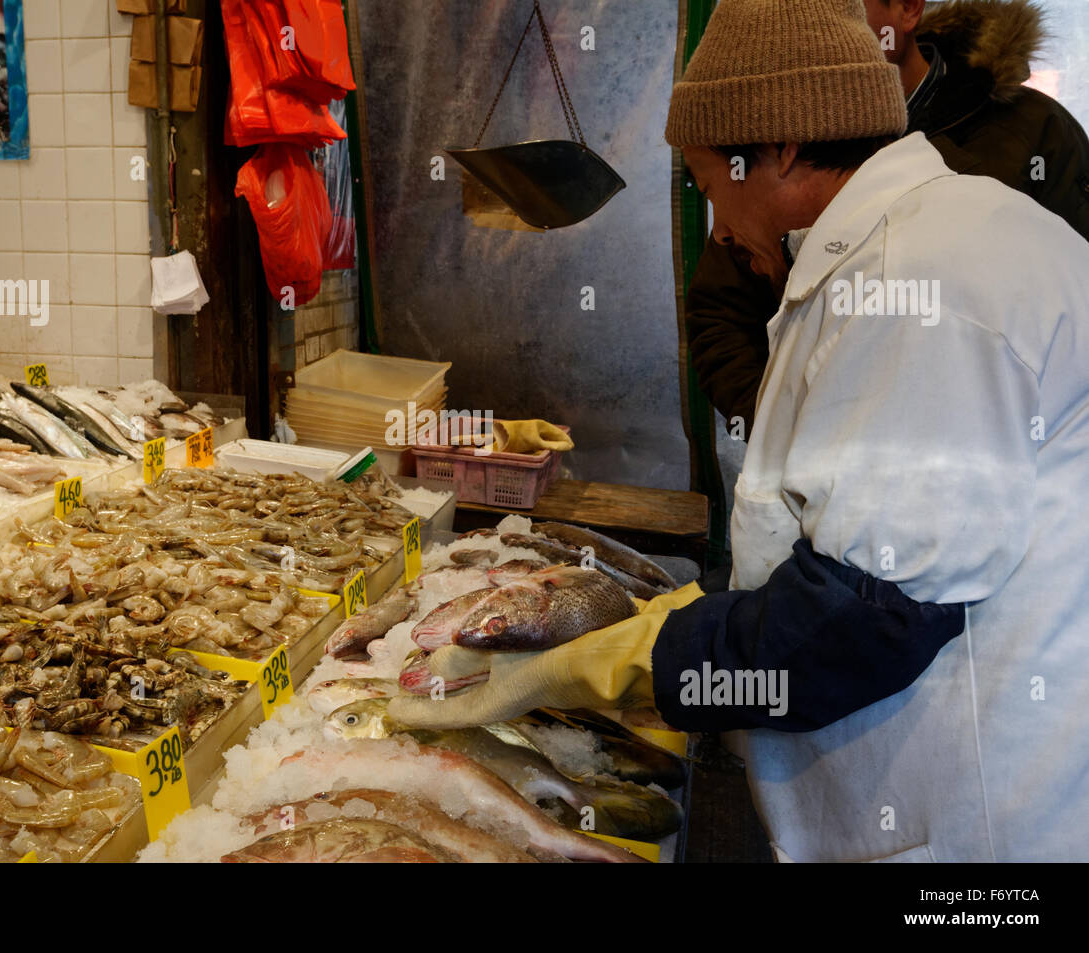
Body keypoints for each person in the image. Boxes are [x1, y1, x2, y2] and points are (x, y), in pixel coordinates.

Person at [390, 0, 1089, 863]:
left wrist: (657, 657)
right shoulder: (887, 250)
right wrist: (691, 620)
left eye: (709, 180)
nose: (715, 218)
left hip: (977, 837)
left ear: (782, 148)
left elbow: (865, 620)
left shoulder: (926, 280)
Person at [688, 0, 1089, 436]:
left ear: (907, 8)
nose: (821, 17)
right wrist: (782, 429)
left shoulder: (1031, 133)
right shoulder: (769, 183)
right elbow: (719, 311)